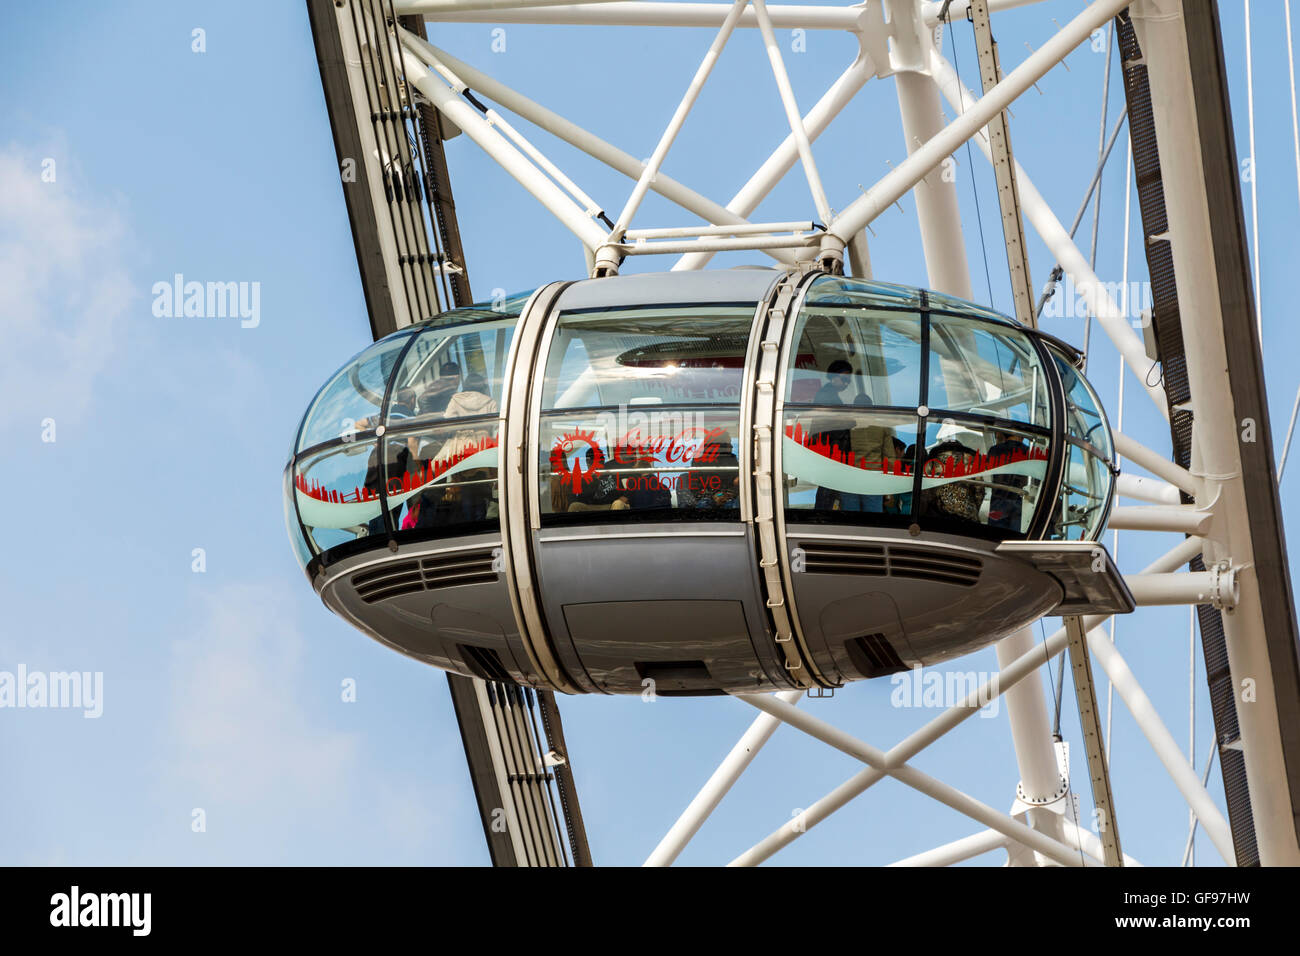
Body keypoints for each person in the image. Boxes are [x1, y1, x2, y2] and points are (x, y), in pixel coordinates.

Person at [812, 361, 855, 511]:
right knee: (828, 490)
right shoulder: (827, 395)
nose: (847, 383)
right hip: (830, 451)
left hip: (828, 450)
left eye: (849, 381)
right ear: (833, 377)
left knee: (828, 490)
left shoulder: (829, 394)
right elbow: (829, 423)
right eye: (844, 379)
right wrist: (849, 422)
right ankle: (821, 518)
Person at [919, 439, 985, 523]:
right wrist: (972, 509)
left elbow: (924, 491)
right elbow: (979, 492)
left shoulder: (932, 463)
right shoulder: (972, 465)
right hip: (968, 517)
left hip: (938, 515)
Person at [679, 433, 740, 511]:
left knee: (733, 505)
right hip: (706, 498)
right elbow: (695, 488)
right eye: (728, 444)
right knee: (704, 504)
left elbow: (735, 484)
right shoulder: (699, 460)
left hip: (726, 497)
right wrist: (713, 496)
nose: (731, 446)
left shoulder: (732, 459)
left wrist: (727, 494)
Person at [987, 428, 1029, 532]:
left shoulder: (994, 450)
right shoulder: (1029, 452)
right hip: (1019, 502)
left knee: (994, 538)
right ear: (1022, 436)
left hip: (998, 502)